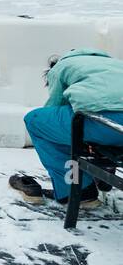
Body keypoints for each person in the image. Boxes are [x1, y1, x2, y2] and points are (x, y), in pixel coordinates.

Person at [10, 50, 123, 209]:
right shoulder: (116, 64)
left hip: (105, 123)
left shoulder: (61, 67)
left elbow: (55, 105)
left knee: (37, 121)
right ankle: (104, 169)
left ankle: (78, 191)